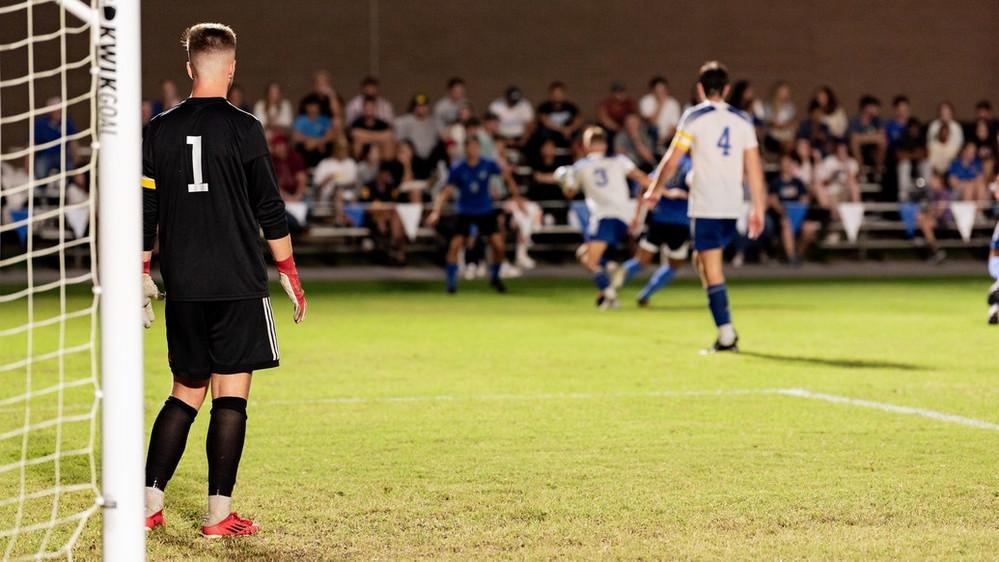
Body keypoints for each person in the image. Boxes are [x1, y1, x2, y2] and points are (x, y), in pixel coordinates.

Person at [140, 23, 306, 538]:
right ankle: (217, 515)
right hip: (236, 282)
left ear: (188, 67)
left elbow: (146, 207)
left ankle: (148, 503)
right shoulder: (244, 128)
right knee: (230, 397)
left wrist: (142, 271)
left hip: (184, 285)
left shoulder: (159, 129)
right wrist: (289, 272)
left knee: (184, 393)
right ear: (231, 68)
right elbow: (269, 208)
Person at [643, 61, 766, 353]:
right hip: (731, 203)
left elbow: (672, 159)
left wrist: (655, 189)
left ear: (700, 88)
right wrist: (757, 207)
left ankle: (726, 335)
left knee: (710, 268)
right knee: (702, 261)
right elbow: (754, 168)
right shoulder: (742, 120)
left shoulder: (693, 117)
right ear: (726, 89)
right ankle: (724, 330)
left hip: (707, 203)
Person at [560, 127, 650, 310]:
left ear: (585, 146)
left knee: (589, 261)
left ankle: (610, 294)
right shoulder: (620, 160)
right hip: (625, 216)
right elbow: (644, 180)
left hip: (604, 216)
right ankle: (610, 269)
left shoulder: (580, 167)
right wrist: (641, 207)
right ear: (605, 144)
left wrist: (562, 181)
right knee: (583, 254)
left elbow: (570, 192)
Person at [426, 135, 524, 293]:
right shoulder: (458, 168)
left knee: (498, 245)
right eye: (470, 147)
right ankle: (451, 284)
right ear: (466, 149)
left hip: (484, 210)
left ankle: (495, 276)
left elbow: (507, 177)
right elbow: (446, 192)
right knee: (455, 245)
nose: (473, 150)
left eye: (476, 147)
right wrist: (436, 212)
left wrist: (517, 198)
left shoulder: (487, 164)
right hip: (464, 211)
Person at [614, 154, 692, 306]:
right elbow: (695, 181)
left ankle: (611, 285)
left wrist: (639, 212)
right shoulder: (692, 164)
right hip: (680, 222)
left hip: (658, 219)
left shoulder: (667, 162)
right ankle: (645, 295)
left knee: (641, 260)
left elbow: (646, 183)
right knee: (674, 264)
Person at [767, 153, 810, 264]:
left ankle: (799, 253)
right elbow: (773, 201)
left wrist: (798, 212)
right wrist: (784, 211)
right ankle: (791, 257)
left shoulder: (798, 182)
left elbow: (804, 199)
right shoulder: (775, 182)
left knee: (809, 228)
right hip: (782, 216)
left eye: (788, 163)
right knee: (786, 224)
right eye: (784, 163)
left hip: (798, 215)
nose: (786, 166)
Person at [394, 93, 441, 177]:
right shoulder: (405, 121)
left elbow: (442, 136)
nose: (421, 109)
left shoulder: (433, 122)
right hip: (414, 158)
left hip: (430, 158)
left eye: (423, 106)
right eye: (418, 106)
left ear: (427, 107)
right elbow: (399, 141)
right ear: (414, 107)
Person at [848, 95, 887, 180]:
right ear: (866, 107)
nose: (876, 109)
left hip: (873, 151)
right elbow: (854, 138)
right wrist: (873, 138)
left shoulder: (877, 121)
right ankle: (861, 172)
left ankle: (878, 171)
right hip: (858, 152)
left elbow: (881, 137)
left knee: (883, 142)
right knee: (854, 143)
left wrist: (863, 138)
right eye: (874, 106)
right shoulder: (855, 121)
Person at [639, 76, 682, 152]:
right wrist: (660, 104)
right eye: (658, 90)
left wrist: (664, 139)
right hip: (649, 137)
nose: (661, 93)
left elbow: (674, 126)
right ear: (652, 90)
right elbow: (651, 122)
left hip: (667, 138)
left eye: (663, 90)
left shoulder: (673, 103)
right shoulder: (646, 101)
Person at [536, 81, 582, 148]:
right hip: (551, 137)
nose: (557, 96)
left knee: (578, 144)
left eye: (559, 93)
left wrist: (570, 129)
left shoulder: (571, 107)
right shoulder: (544, 107)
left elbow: (579, 120)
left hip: (569, 136)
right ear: (550, 94)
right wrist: (562, 130)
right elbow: (545, 121)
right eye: (555, 93)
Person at [292, 93, 334, 166]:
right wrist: (308, 140)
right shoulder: (301, 120)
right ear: (306, 107)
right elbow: (296, 136)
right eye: (310, 105)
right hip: (306, 146)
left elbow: (330, 136)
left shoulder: (324, 119)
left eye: (315, 105)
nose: (313, 108)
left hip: (320, 146)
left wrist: (316, 142)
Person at [762, 81, 797, 154]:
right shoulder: (769, 107)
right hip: (773, 136)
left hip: (786, 134)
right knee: (784, 144)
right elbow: (772, 123)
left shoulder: (790, 107)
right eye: (783, 92)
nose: (785, 94)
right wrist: (782, 125)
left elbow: (791, 123)